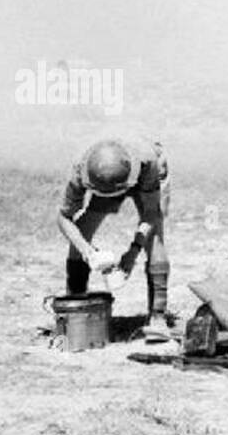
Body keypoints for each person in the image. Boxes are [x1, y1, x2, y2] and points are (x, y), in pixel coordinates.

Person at [57, 136, 171, 337]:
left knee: (155, 236)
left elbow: (150, 214)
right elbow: (64, 217)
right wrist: (87, 251)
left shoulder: (148, 160)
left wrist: (134, 250)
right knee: (83, 228)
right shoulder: (80, 169)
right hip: (109, 178)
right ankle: (75, 302)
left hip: (145, 174)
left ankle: (158, 315)